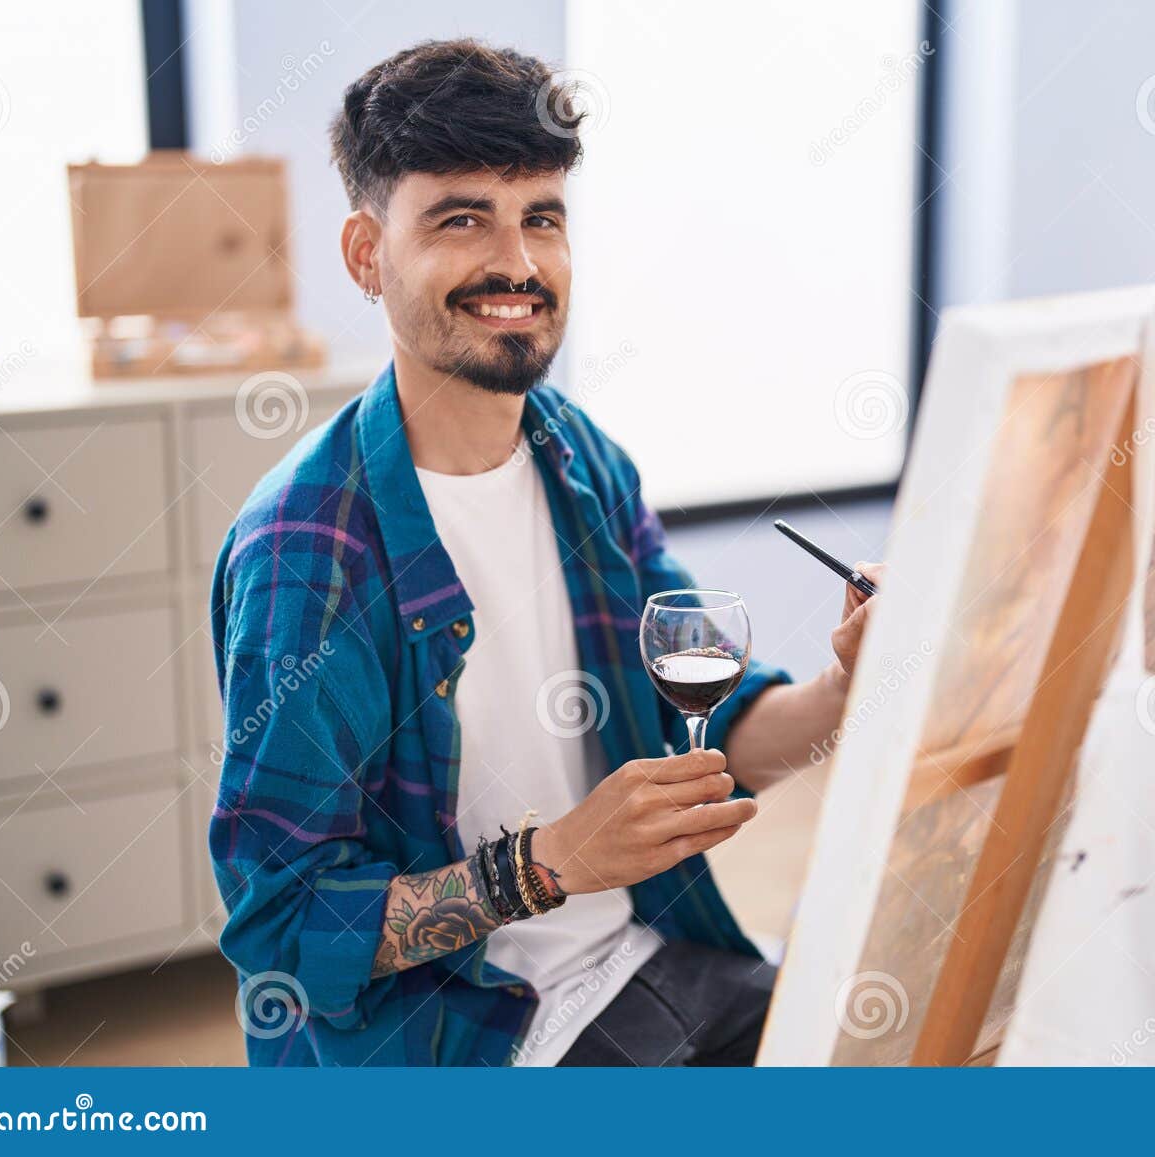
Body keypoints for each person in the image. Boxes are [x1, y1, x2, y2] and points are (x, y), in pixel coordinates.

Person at [209, 37, 882, 1067]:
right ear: (364, 254)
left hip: (638, 960)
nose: (517, 263)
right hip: (456, 1040)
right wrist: (545, 864)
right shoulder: (307, 550)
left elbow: (710, 725)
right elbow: (285, 930)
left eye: (542, 217)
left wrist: (847, 687)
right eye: (461, 217)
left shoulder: (582, 461)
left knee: (889, 1036)